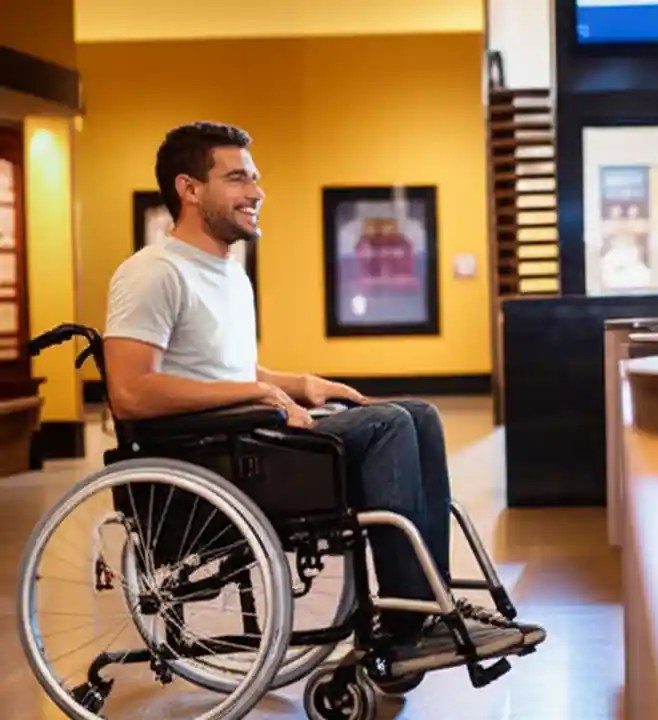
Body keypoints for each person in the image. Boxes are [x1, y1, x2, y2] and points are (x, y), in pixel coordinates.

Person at [103, 121, 543, 663]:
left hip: (243, 433)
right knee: (386, 425)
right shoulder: (151, 273)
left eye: (256, 179)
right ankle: (409, 624)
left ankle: (428, 605)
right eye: (238, 178)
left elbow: (223, 368)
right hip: (213, 457)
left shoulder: (225, 273)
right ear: (189, 189)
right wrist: (259, 395)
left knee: (420, 414)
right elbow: (130, 392)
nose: (257, 192)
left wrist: (297, 384)